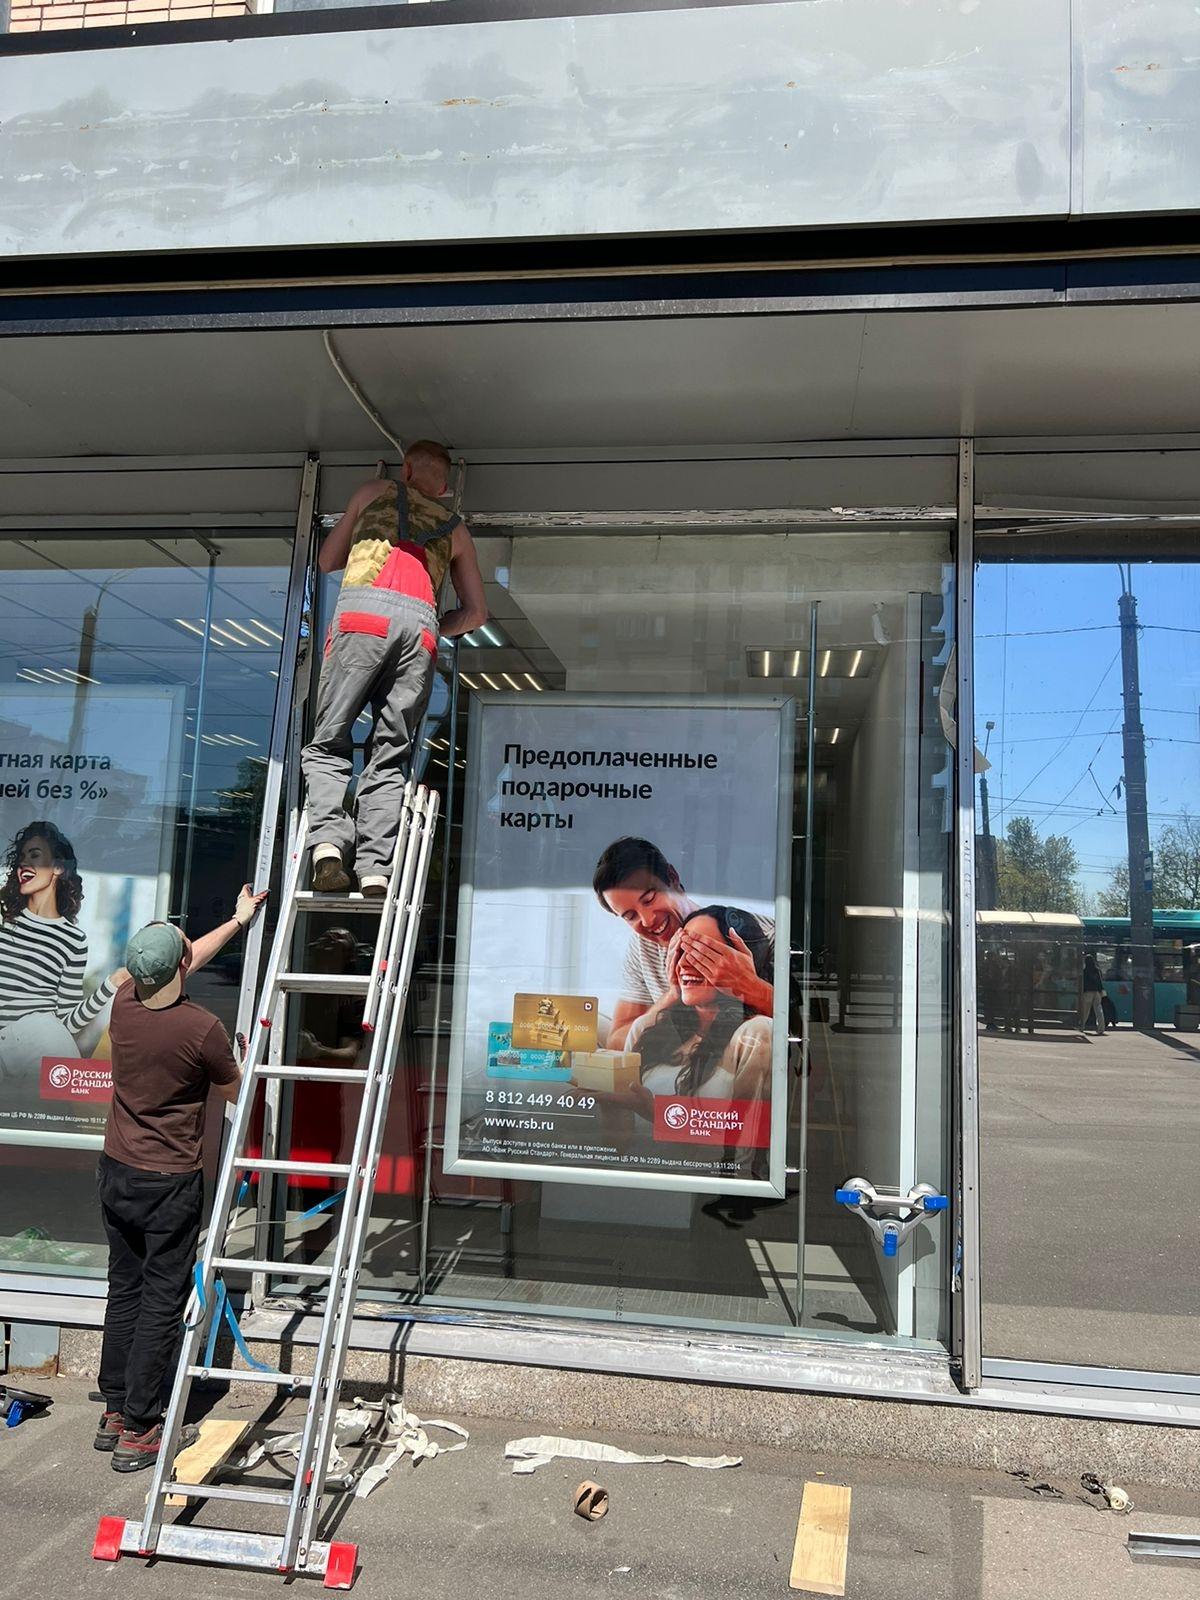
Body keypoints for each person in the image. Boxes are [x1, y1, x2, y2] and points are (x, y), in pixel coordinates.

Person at [94, 902, 265, 1472]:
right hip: (168, 1181)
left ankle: (115, 1409)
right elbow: (238, 1090)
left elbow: (179, 959)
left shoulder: (123, 1003)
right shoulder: (201, 1029)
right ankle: (142, 1426)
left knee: (126, 1287)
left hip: (117, 1170)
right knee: (162, 1300)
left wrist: (238, 922)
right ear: (180, 969)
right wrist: (245, 1063)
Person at [301, 443, 487, 897]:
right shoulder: (456, 529)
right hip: (421, 628)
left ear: (404, 470)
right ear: (444, 488)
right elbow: (477, 613)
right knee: (390, 754)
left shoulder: (372, 491)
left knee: (329, 743)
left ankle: (327, 846)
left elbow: (327, 561)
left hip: (361, 617)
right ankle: (375, 870)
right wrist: (433, 628)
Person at [592, 836, 775, 1050]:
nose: (648, 920)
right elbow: (617, 1041)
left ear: (673, 878)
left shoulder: (767, 935)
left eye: (650, 899)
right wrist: (672, 996)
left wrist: (749, 986)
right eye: (630, 916)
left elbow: (806, 1031)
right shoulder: (643, 947)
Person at [1080, 952, 1107, 1035]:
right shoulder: (1097, 970)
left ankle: (1082, 1026)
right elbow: (1100, 981)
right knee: (1099, 1010)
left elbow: (1083, 983)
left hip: (1088, 992)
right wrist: (1101, 990)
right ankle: (1101, 1028)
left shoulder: (1084, 971)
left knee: (1085, 1010)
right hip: (1097, 992)